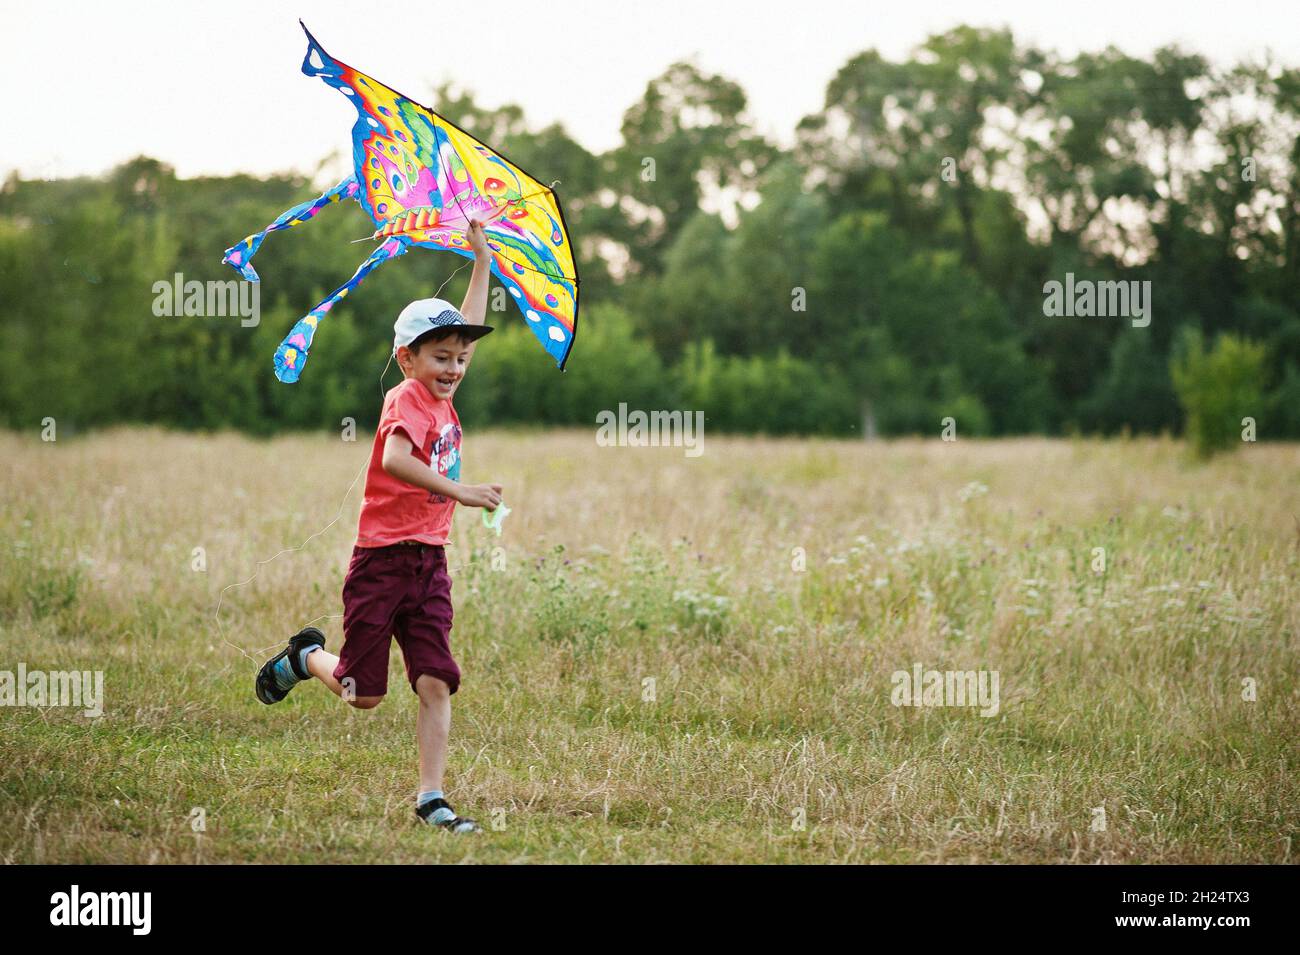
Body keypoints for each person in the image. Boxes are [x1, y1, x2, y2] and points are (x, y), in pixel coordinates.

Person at [254, 220, 503, 833]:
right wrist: (462, 493)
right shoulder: (406, 400)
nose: (454, 367)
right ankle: (305, 657)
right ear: (407, 358)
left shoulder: (442, 391)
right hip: (382, 561)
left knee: (436, 677)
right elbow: (395, 460)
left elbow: (466, 322)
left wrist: (480, 260)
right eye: (441, 357)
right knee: (361, 695)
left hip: (429, 563)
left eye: (461, 357)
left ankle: (432, 798)